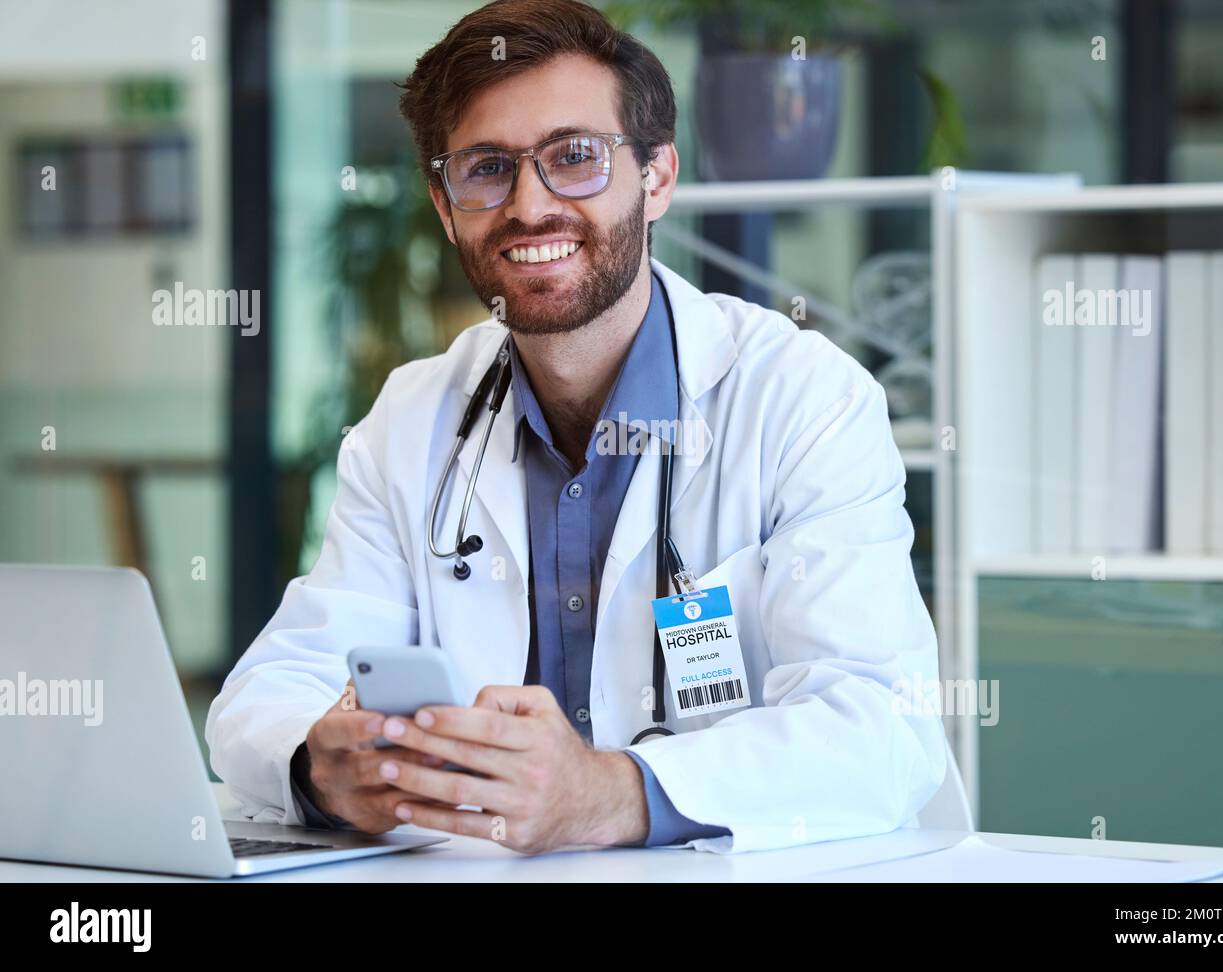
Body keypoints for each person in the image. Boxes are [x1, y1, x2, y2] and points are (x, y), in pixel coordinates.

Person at [206, 0, 945, 855]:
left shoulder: (802, 401)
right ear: (447, 207)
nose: (529, 205)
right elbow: (271, 690)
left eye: (575, 158)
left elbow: (881, 729)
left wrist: (605, 793)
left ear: (658, 177)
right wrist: (318, 768)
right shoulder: (412, 419)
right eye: (486, 168)